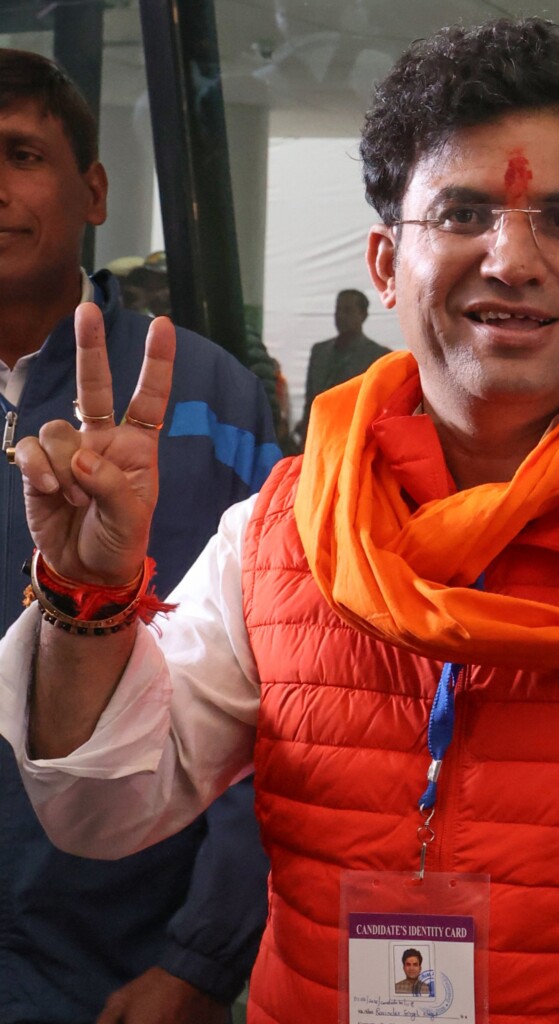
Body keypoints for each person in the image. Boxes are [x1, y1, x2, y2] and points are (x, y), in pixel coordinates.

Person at [2, 19, 559, 1024]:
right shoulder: (283, 531)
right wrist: (83, 595)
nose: (514, 258)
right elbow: (102, 811)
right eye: (466, 212)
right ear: (387, 262)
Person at [0, 50, 278, 1023]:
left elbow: (282, 694)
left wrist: (204, 953)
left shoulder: (209, 403)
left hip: (124, 967)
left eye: (20, 153)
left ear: (94, 190)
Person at [295, 288, 389, 445]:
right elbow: (310, 400)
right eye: (338, 310)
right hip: (318, 437)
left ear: (363, 315)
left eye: (347, 311)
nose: (340, 316)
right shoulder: (319, 351)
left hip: (354, 441)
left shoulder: (378, 356)